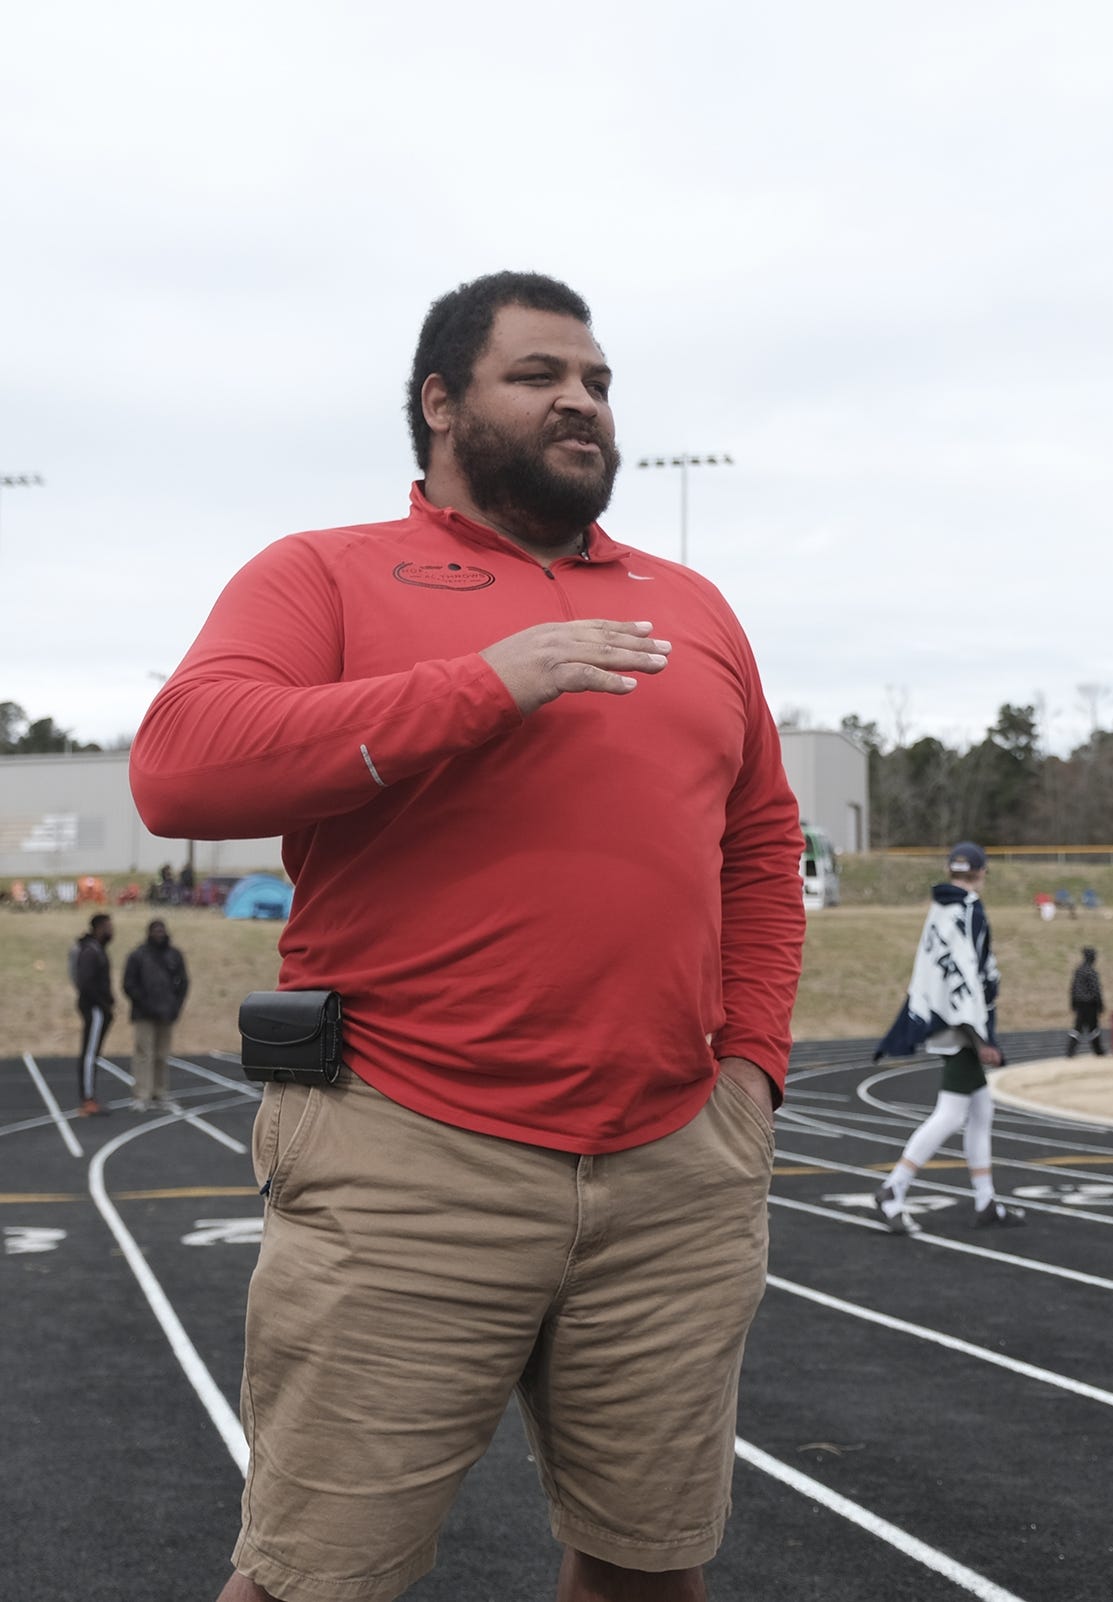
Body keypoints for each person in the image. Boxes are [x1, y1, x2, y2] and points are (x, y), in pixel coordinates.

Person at [129, 270, 805, 1602]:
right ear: (441, 404)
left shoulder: (697, 606)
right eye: (540, 374)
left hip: (675, 1162)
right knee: (312, 1581)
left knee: (647, 1570)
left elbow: (761, 842)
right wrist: (486, 683)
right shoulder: (321, 571)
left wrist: (754, 1071)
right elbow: (183, 767)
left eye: (598, 382)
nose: (582, 402)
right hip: (406, 1154)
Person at [871, 842, 1024, 1233]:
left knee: (980, 1110)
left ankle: (986, 1199)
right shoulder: (969, 909)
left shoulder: (940, 908)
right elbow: (972, 975)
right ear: (981, 871)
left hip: (945, 1018)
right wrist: (982, 1035)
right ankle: (894, 1187)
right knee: (952, 1113)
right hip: (961, 1027)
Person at [122, 918, 190, 1110]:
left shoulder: (174, 955)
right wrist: (143, 1003)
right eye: (156, 930)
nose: (159, 934)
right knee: (144, 1054)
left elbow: (183, 982)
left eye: (162, 930)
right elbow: (129, 984)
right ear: (149, 933)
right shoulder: (138, 956)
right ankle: (141, 1094)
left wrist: (176, 1006)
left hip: (166, 1012)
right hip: (144, 1013)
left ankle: (160, 1092)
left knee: (162, 1054)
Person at [70, 913, 115, 1117]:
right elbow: (86, 983)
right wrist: (103, 1003)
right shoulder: (91, 951)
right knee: (89, 1054)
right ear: (98, 928)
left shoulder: (95, 950)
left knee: (92, 1053)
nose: (112, 930)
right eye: (108, 926)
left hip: (98, 1007)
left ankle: (89, 1096)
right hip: (94, 1008)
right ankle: (87, 1099)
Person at [1067, 945, 1107, 1056]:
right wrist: (1100, 1004)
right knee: (1094, 1028)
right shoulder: (1092, 972)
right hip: (1090, 1004)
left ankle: (1070, 1050)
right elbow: (1096, 990)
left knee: (1078, 1027)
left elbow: (1073, 988)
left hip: (1080, 1003)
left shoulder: (1078, 971)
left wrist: (1073, 1002)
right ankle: (1098, 1050)